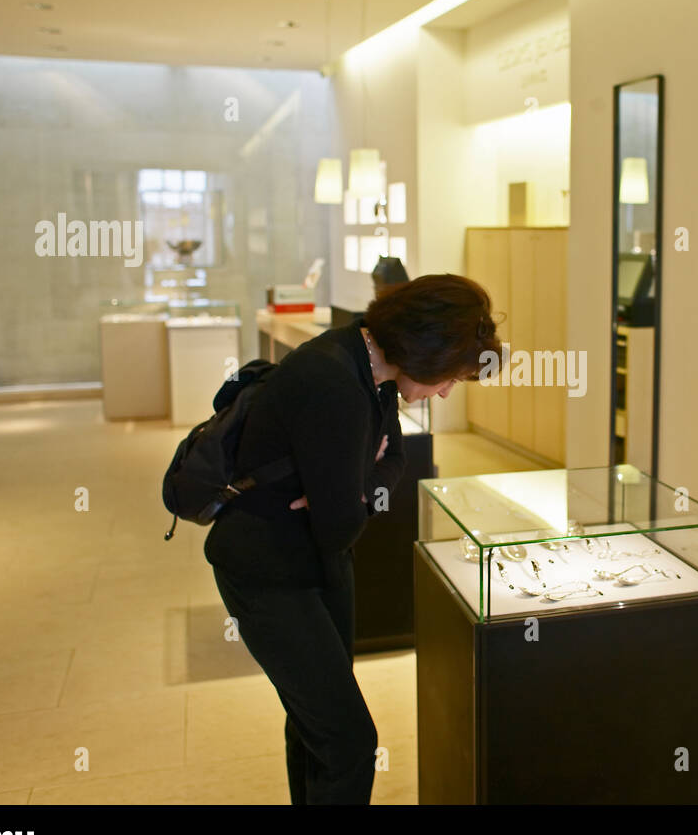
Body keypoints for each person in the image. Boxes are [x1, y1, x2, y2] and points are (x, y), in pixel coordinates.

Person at [204, 273, 501, 804]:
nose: (447, 390)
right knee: (349, 742)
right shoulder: (335, 381)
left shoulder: (370, 366)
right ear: (427, 352)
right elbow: (344, 520)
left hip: (320, 561)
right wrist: (356, 487)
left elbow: (395, 462)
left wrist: (352, 484)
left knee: (316, 727)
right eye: (449, 377)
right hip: (267, 571)